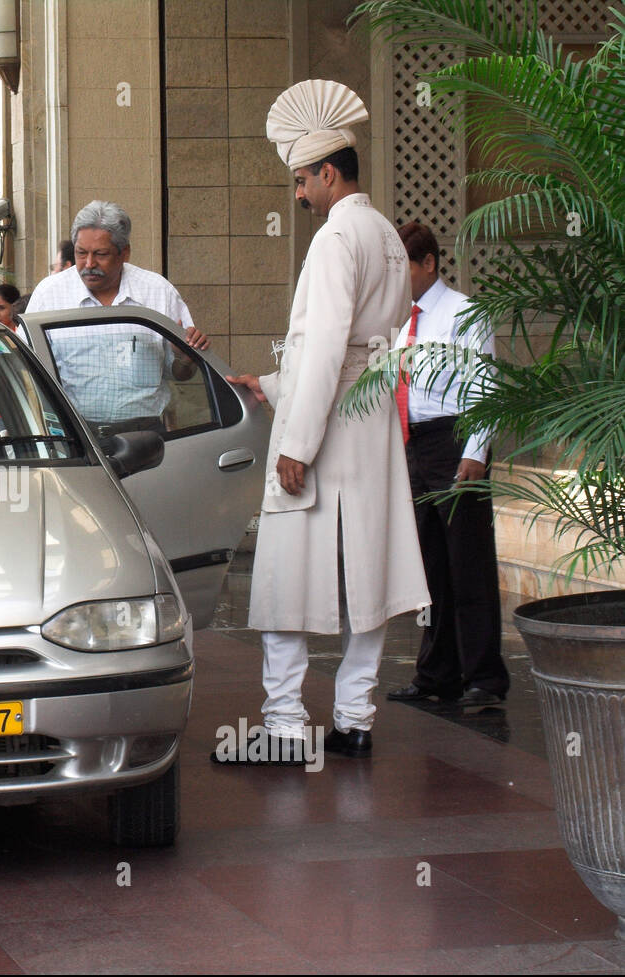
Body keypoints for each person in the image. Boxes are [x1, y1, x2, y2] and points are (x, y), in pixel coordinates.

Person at [216, 80, 428, 763]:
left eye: (301, 179)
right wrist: (274, 383)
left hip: (329, 430)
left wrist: (297, 443)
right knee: (367, 577)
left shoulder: (338, 236)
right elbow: (353, 347)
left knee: (284, 580)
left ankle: (282, 729)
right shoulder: (388, 236)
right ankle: (354, 720)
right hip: (367, 425)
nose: (297, 194)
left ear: (328, 172)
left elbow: (331, 344)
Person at [387, 222, 509, 708]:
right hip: (414, 445)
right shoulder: (401, 323)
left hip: (457, 439)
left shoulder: (464, 313)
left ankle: (484, 677)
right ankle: (437, 675)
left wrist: (476, 453)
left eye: (403, 268)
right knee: (430, 567)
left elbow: (487, 386)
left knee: (469, 563)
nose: (396, 280)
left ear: (428, 263)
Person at [24, 200, 209, 432]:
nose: (89, 264)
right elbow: (25, 370)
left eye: (101, 254)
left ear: (125, 253)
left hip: (147, 437)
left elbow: (180, 374)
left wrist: (185, 358)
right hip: (74, 439)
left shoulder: (158, 293)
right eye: (81, 253)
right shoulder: (49, 295)